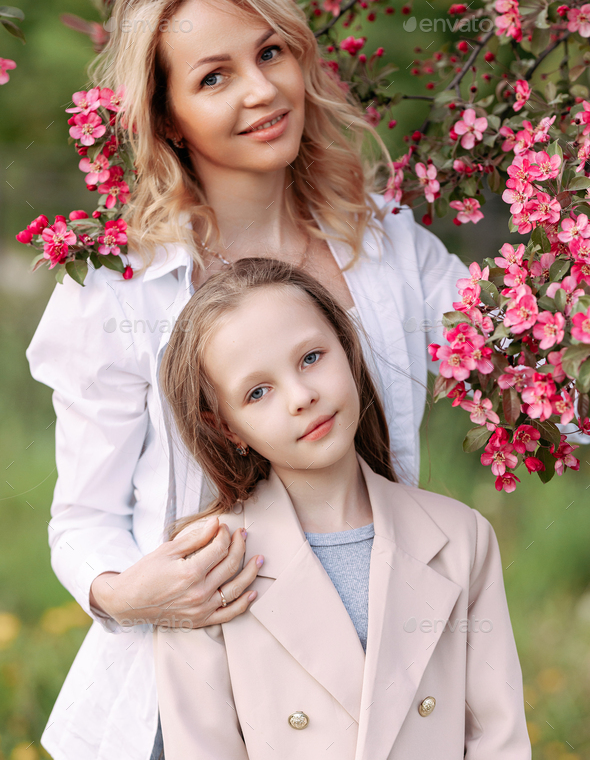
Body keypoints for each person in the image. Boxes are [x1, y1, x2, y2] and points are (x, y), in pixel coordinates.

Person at [25, 0, 468, 760]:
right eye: (214, 77)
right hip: (190, 686)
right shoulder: (118, 291)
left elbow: (531, 380)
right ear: (166, 118)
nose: (262, 91)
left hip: (368, 672)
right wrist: (126, 591)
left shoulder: (388, 244)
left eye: (270, 52)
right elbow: (82, 517)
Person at [153, 256, 531, 760]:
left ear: (346, 348)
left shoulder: (461, 537)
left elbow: (498, 738)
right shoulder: (205, 566)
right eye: (258, 392)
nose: (302, 396)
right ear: (226, 428)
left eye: (311, 358)